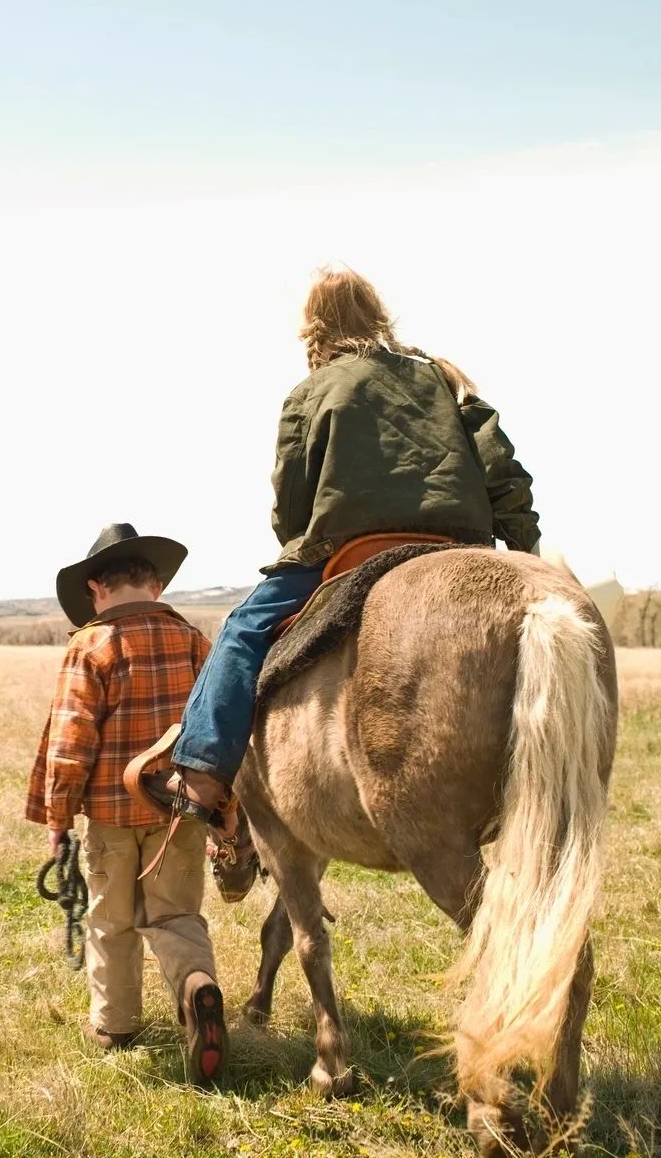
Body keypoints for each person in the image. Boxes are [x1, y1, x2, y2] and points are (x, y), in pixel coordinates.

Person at [149, 267, 542, 894]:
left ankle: (200, 772)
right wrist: (525, 548)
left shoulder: (314, 389)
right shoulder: (442, 376)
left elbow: (290, 506)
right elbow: (500, 463)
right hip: (460, 541)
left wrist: (303, 540)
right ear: (379, 315)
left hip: (354, 547)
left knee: (242, 629)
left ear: (314, 327)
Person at [24, 522, 229, 1086]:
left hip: (113, 817)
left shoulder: (91, 644)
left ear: (96, 590)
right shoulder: (193, 639)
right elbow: (219, 728)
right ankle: (196, 987)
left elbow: (71, 741)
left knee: (110, 921)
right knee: (176, 915)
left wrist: (58, 820)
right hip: (180, 814)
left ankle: (116, 1027)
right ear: (156, 586)